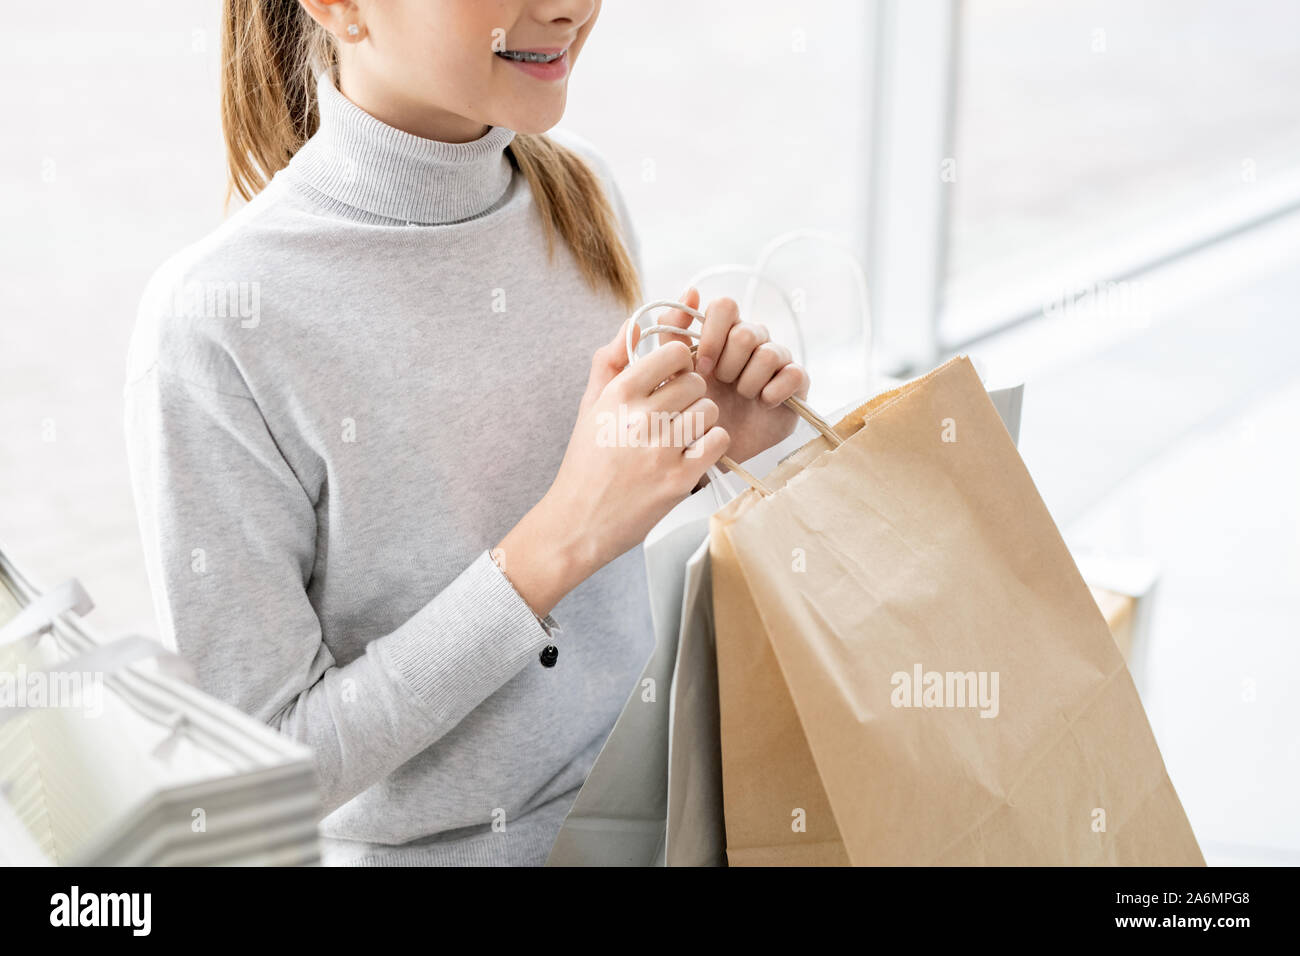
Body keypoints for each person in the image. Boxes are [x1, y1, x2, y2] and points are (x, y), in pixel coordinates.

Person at [124, 0, 808, 865]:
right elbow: (256, 783)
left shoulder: (582, 195)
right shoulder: (218, 324)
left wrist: (709, 448)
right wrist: (555, 542)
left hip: (674, 819)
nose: (568, 8)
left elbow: (607, 590)